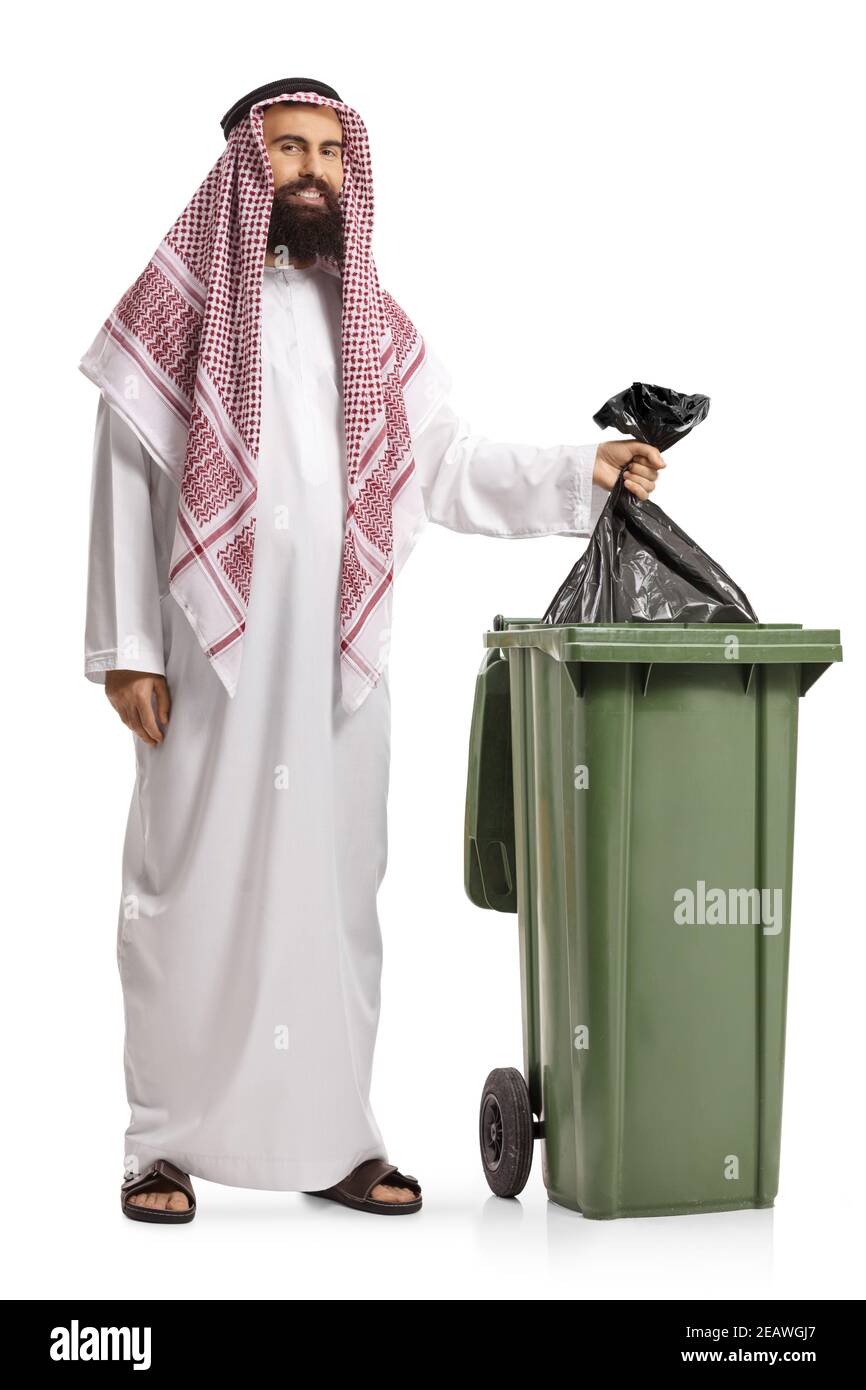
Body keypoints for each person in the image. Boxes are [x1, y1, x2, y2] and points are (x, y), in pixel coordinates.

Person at [81, 78, 665, 1222]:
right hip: (213, 655)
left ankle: (336, 1136)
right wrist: (127, 646)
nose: (311, 171)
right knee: (189, 887)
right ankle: (162, 1143)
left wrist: (574, 473)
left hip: (339, 662)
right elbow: (124, 474)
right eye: (288, 149)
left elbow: (444, 463)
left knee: (338, 890)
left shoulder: (376, 327)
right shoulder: (178, 307)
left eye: (330, 154)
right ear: (245, 168)